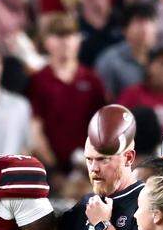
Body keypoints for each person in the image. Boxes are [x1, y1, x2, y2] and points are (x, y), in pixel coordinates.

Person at [26, 13, 108, 175]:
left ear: (78, 40)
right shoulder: (38, 80)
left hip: (88, 168)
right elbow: (35, 129)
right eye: (59, 36)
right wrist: (53, 169)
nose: (65, 42)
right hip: (49, 168)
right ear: (47, 42)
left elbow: (102, 129)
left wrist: (92, 165)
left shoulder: (92, 80)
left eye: (70, 35)